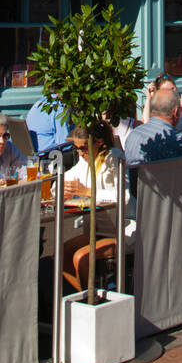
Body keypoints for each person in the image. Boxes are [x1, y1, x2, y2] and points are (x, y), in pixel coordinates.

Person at [61, 123, 133, 291]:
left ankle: (90, 301)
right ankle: (82, 295)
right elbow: (62, 182)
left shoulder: (113, 157)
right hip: (98, 230)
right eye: (77, 148)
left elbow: (124, 196)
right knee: (63, 253)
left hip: (122, 229)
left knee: (81, 257)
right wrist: (63, 190)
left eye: (84, 148)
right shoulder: (84, 161)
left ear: (99, 142)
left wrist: (88, 191)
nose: (80, 153)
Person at [124, 85, 182, 186]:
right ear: (176, 112)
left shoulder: (133, 135)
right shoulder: (179, 141)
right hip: (169, 198)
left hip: (136, 199)